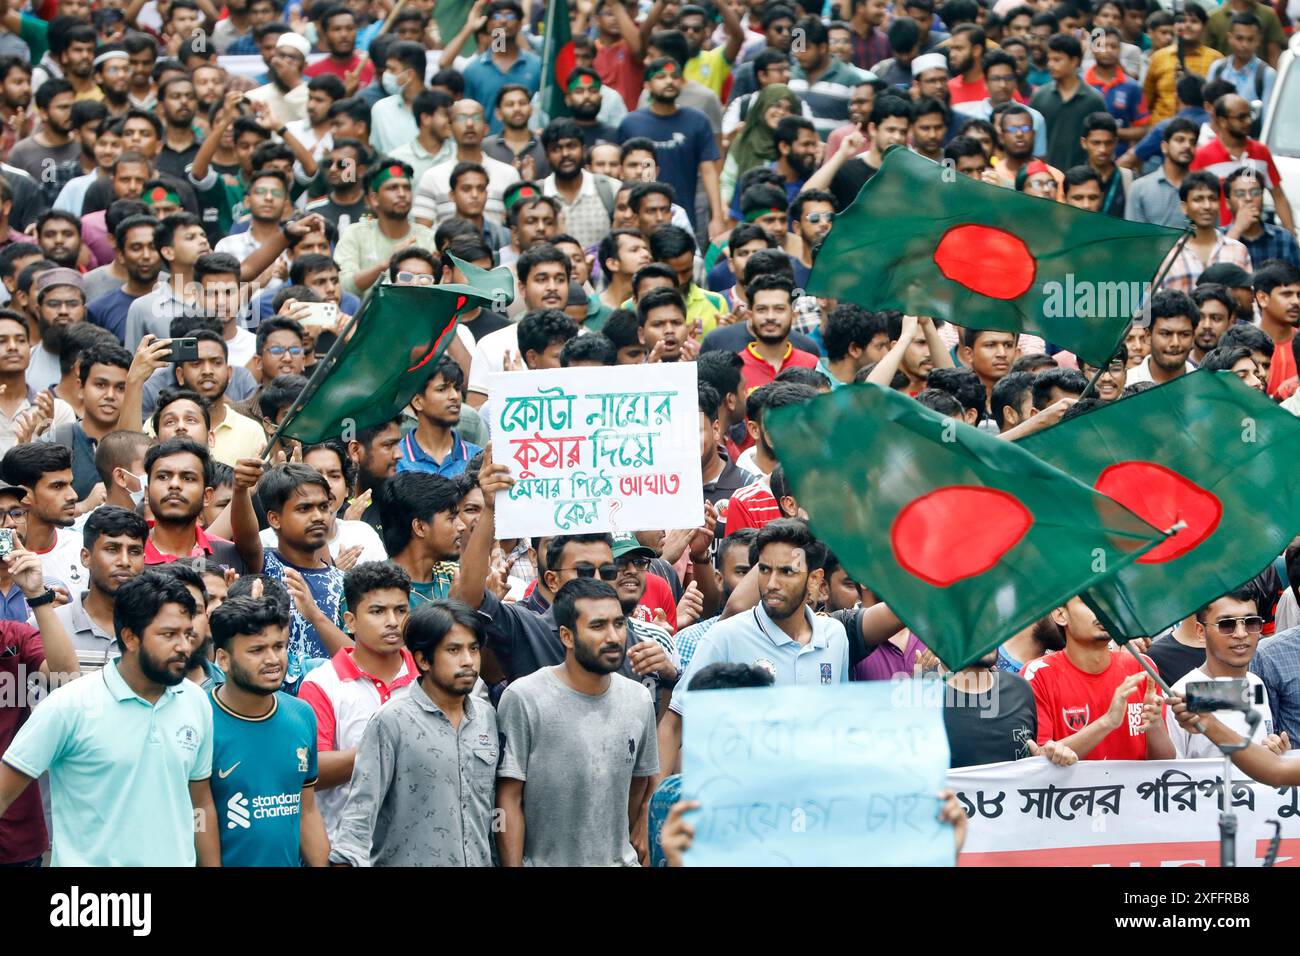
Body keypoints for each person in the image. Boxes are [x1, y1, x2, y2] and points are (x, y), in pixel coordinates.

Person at [0, 571, 220, 866]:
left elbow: (200, 802)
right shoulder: (68, 707)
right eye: (168, 635)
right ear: (130, 638)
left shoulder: (196, 703)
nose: (184, 646)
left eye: (187, 633)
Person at [496, 576, 660, 867]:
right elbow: (508, 800)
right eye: (598, 626)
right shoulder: (524, 698)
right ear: (567, 636)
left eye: (618, 623)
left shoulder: (639, 700)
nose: (613, 637)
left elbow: (640, 783)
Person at [331, 600, 498, 867]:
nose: (468, 661)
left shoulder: (486, 717)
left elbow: (489, 814)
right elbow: (359, 819)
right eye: (453, 650)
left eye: (474, 649)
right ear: (422, 660)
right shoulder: (391, 721)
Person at [298, 561, 416, 841]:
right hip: (349, 848)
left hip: (422, 846)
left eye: (400, 610)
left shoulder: (429, 676)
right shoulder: (321, 683)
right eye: (377, 611)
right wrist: (387, 746)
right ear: (350, 621)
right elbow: (313, 771)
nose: (392, 621)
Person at [207, 594, 329, 866]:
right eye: (256, 650)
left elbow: (306, 811)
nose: (273, 659)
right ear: (223, 660)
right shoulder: (199, 719)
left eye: (279, 646)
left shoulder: (301, 715)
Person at [1024, 596, 1175, 760]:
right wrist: (1108, 722)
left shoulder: (1143, 667)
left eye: (1109, 602)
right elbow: (1038, 761)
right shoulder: (1037, 674)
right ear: (1060, 615)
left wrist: (1155, 724)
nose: (1104, 611)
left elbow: (1165, 763)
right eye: (1090, 603)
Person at [616, 58, 723, 237]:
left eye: (674, 77)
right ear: (647, 85)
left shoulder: (697, 120)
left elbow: (709, 170)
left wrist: (717, 217)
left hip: (683, 215)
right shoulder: (631, 123)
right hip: (638, 217)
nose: (669, 81)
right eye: (661, 77)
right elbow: (619, 172)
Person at [259, 463, 349, 669]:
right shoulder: (263, 565)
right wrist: (240, 489)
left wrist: (314, 615)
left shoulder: (345, 583)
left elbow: (359, 661)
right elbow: (244, 535)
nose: (318, 516)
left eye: (324, 507)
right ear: (274, 518)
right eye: (304, 508)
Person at [336, 160, 435, 297]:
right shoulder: (355, 234)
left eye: (406, 188)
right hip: (366, 317)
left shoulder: (429, 238)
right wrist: (384, 265)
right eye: (392, 188)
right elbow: (345, 286)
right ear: (374, 199)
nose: (401, 194)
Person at [379, 472, 466, 604]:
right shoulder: (374, 589)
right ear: (419, 527)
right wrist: (455, 608)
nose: (462, 526)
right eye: (452, 518)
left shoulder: (453, 577)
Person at [1159, 171, 1250, 294]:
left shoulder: (1238, 250)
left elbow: (1249, 301)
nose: (1207, 206)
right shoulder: (1167, 254)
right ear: (1184, 207)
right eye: (1198, 199)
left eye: (1212, 199)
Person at [1143, 5, 1223, 125]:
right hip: (1160, 127)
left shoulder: (1215, 59)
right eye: (1182, 21)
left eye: (1194, 21)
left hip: (1199, 127)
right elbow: (1146, 101)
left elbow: (1218, 101)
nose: (1187, 25)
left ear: (1204, 27)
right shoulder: (1159, 57)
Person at [1124, 117, 1197, 228]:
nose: (1187, 146)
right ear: (1164, 147)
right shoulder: (1140, 188)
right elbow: (1133, 236)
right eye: (1180, 140)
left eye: (1192, 142)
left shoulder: (1202, 188)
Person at [1224, 167, 1300, 271]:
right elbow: (1213, 274)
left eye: (1255, 193)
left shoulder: (1284, 238)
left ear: (1262, 197)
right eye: (1240, 194)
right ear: (1228, 203)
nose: (1248, 198)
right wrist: (1237, 229)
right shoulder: (1218, 237)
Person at [1126, 291, 1198, 386]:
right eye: (1166, 334)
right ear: (1148, 336)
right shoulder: (1125, 385)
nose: (1175, 343)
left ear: (1193, 337)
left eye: (1184, 334)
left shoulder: (1205, 386)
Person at [1253, 262, 1300, 399]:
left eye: (1299, 295)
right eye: (1287, 294)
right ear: (1262, 298)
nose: (1296, 302)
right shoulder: (1243, 345)